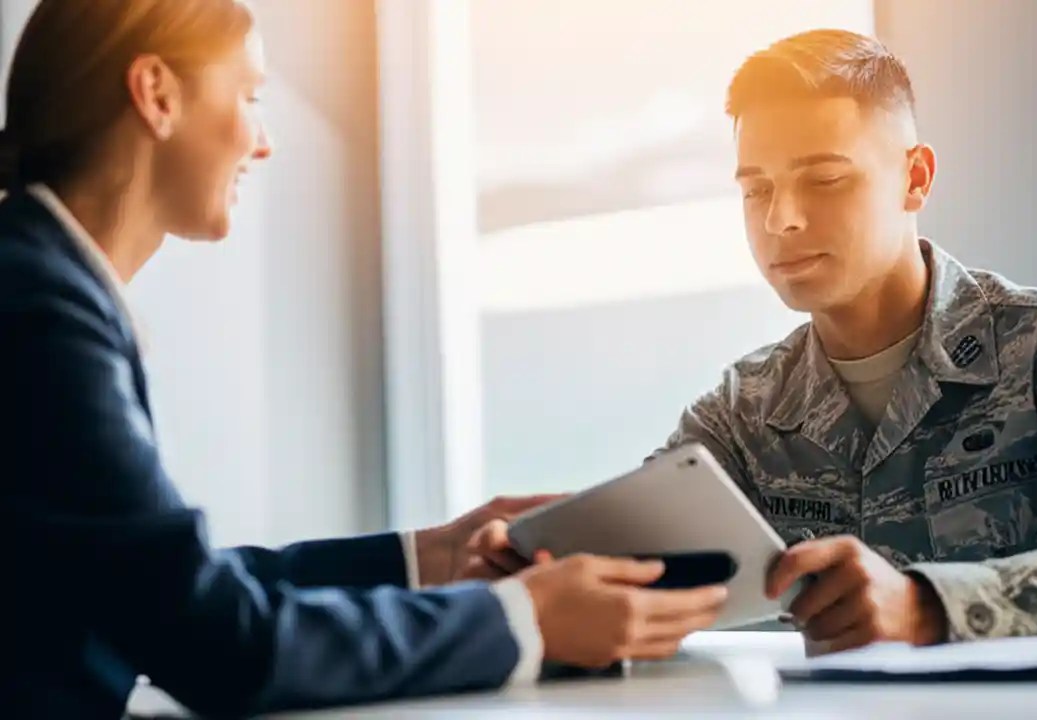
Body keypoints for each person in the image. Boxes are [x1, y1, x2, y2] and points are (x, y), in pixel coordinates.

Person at [0, 1, 726, 717]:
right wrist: (522, 621)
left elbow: (161, 587)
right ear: (156, 93)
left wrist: (429, 560)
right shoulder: (40, 309)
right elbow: (219, 643)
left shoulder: (39, 281)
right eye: (249, 97)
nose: (263, 143)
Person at [473, 29, 1037, 651]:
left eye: (825, 181)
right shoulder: (743, 412)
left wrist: (931, 607)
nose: (782, 220)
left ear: (915, 178)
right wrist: (542, 575)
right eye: (757, 190)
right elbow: (645, 583)